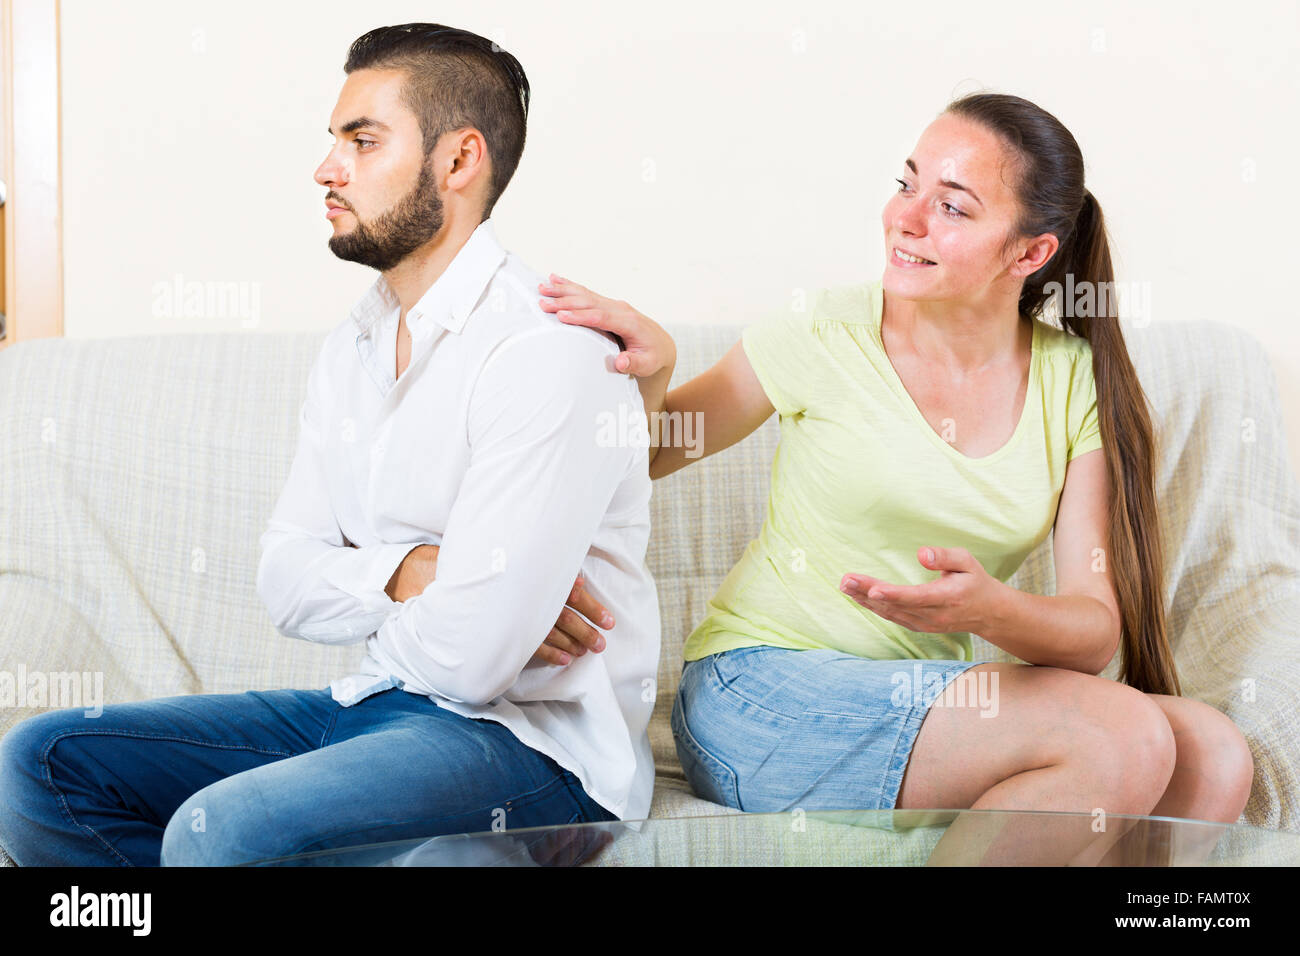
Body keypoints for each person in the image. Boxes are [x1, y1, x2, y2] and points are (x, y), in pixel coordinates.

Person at [535, 92, 1255, 865]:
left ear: (1029, 255)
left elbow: (1091, 629)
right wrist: (657, 371)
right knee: (1124, 733)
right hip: (760, 689)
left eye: (952, 206)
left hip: (929, 705)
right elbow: (639, 454)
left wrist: (991, 609)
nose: (905, 219)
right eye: (907, 183)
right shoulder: (821, 330)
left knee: (1212, 756)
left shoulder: (1072, 379)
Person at [0, 23, 657, 867]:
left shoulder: (545, 350)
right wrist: (417, 569)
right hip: (375, 702)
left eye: (362, 140)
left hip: (534, 752)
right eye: (334, 141)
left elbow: (471, 663)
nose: (326, 169)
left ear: (459, 162)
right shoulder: (350, 349)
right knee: (43, 763)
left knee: (223, 828)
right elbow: (283, 577)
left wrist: (424, 599)